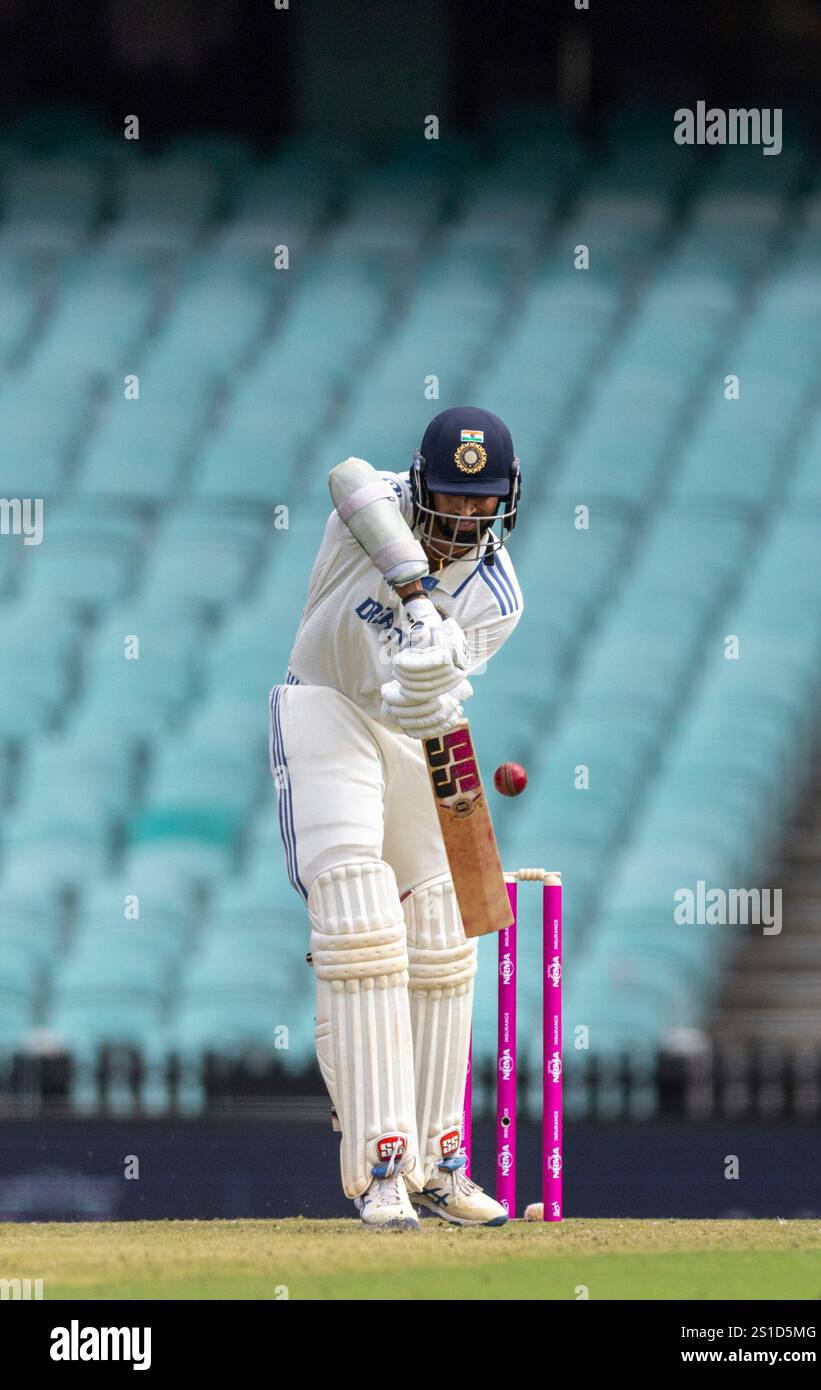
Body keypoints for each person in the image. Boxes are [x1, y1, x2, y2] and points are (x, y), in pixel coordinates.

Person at [269, 406, 524, 1228]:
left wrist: (426, 673)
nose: (464, 519)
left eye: (481, 506)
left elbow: (424, 705)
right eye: (451, 499)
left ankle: (441, 1161)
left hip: (414, 732)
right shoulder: (372, 503)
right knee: (360, 916)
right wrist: (415, 596)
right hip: (325, 708)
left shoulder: (496, 597)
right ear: (420, 487)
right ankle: (383, 1167)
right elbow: (345, 475)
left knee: (445, 930)